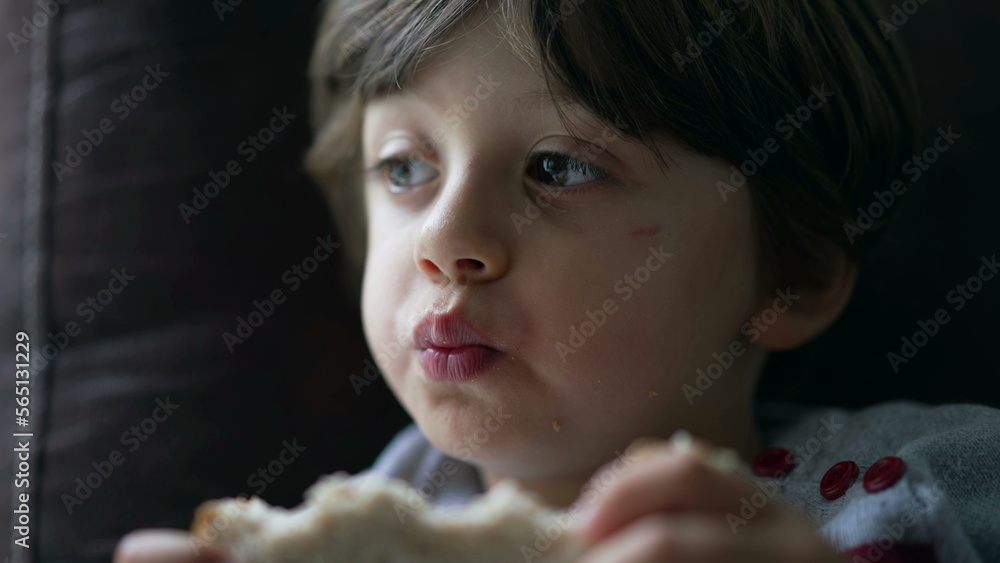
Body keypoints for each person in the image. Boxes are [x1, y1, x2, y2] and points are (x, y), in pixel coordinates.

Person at [116, 0, 1000, 561]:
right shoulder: (350, 531)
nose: (446, 240)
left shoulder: (935, 484)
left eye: (560, 168)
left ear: (795, 275)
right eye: (403, 167)